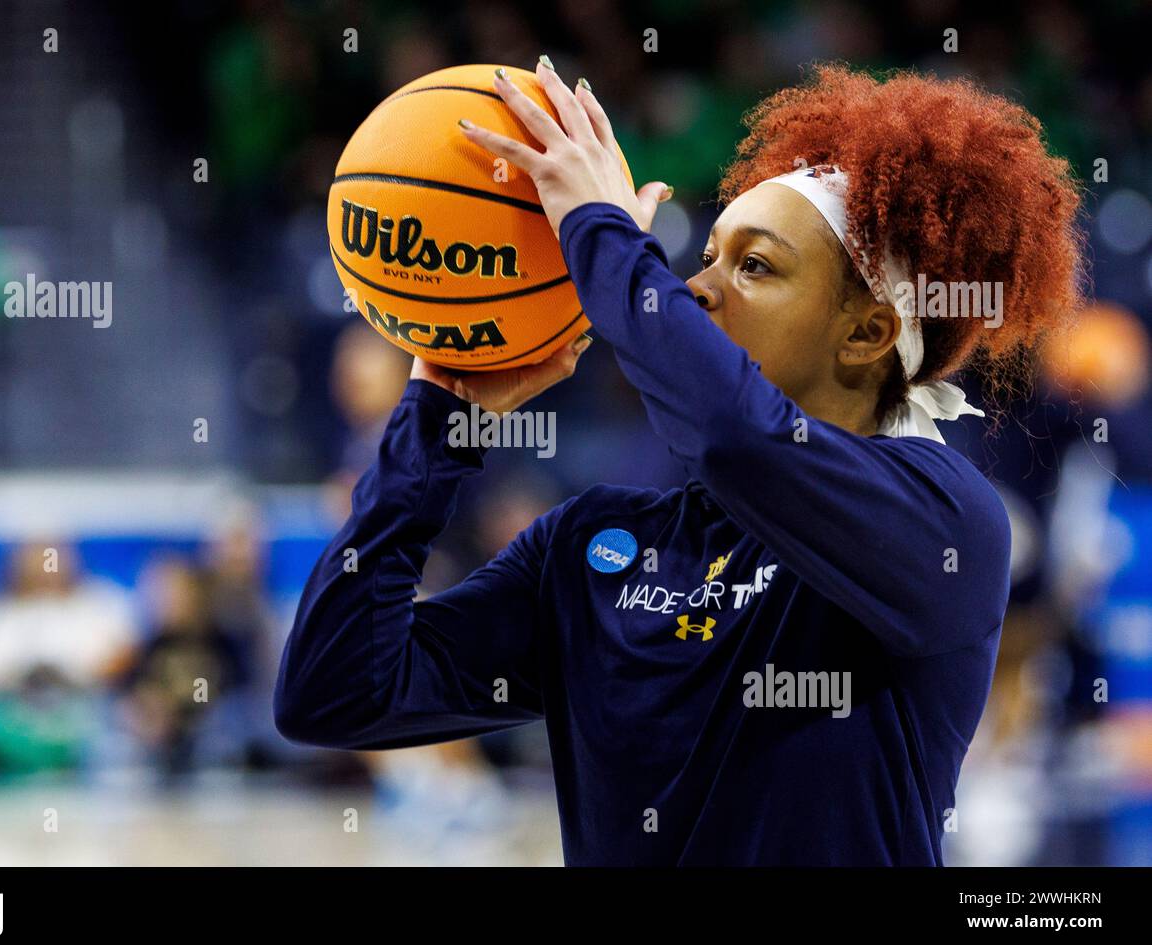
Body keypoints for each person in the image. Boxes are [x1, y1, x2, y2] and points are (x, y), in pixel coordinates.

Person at [275, 60, 1084, 865]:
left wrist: (600, 230)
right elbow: (334, 696)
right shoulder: (592, 543)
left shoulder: (947, 520)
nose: (696, 288)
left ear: (867, 333)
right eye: (708, 256)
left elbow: (736, 437)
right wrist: (437, 420)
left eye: (755, 265)